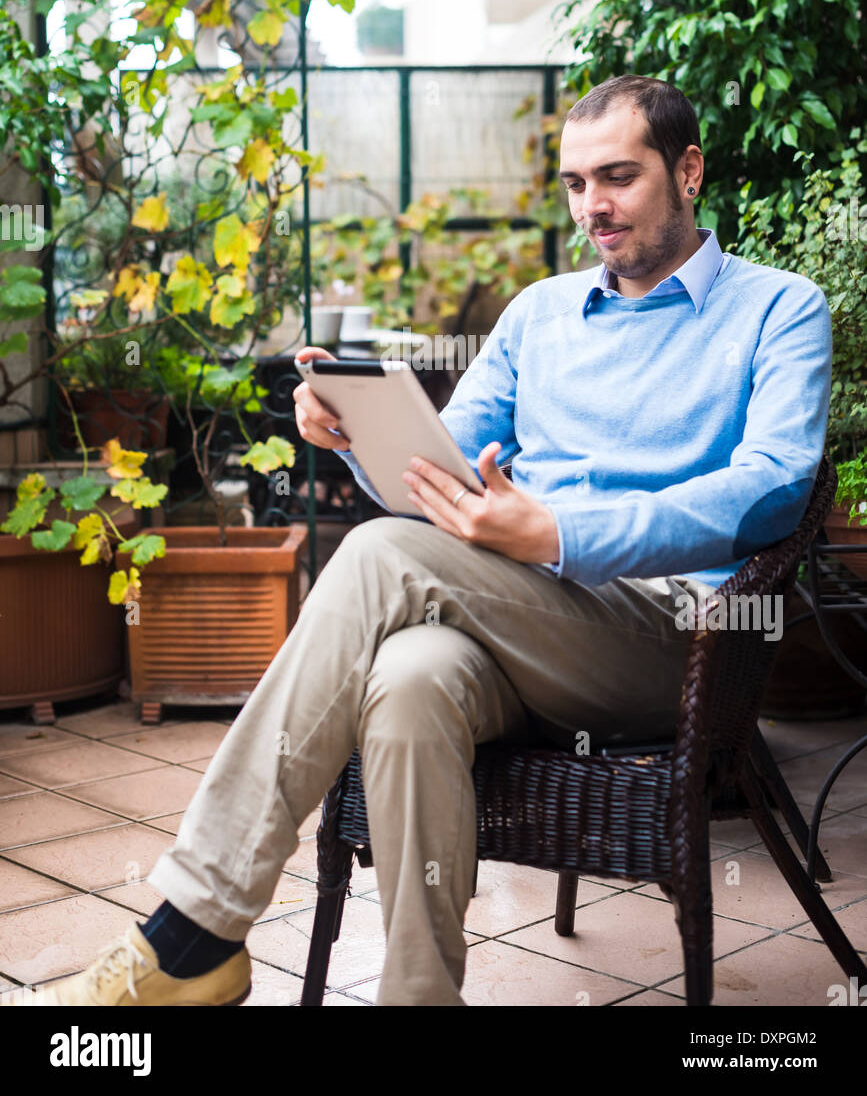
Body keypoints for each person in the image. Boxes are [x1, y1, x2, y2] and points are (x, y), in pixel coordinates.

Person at [4, 75, 831, 1008]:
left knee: (377, 556)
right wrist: (355, 430)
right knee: (409, 679)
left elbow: (771, 488)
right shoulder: (538, 314)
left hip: (673, 638)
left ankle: (194, 926)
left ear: (686, 171)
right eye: (571, 184)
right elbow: (432, 472)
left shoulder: (778, 308)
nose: (591, 207)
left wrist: (557, 530)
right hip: (527, 629)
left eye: (617, 177)